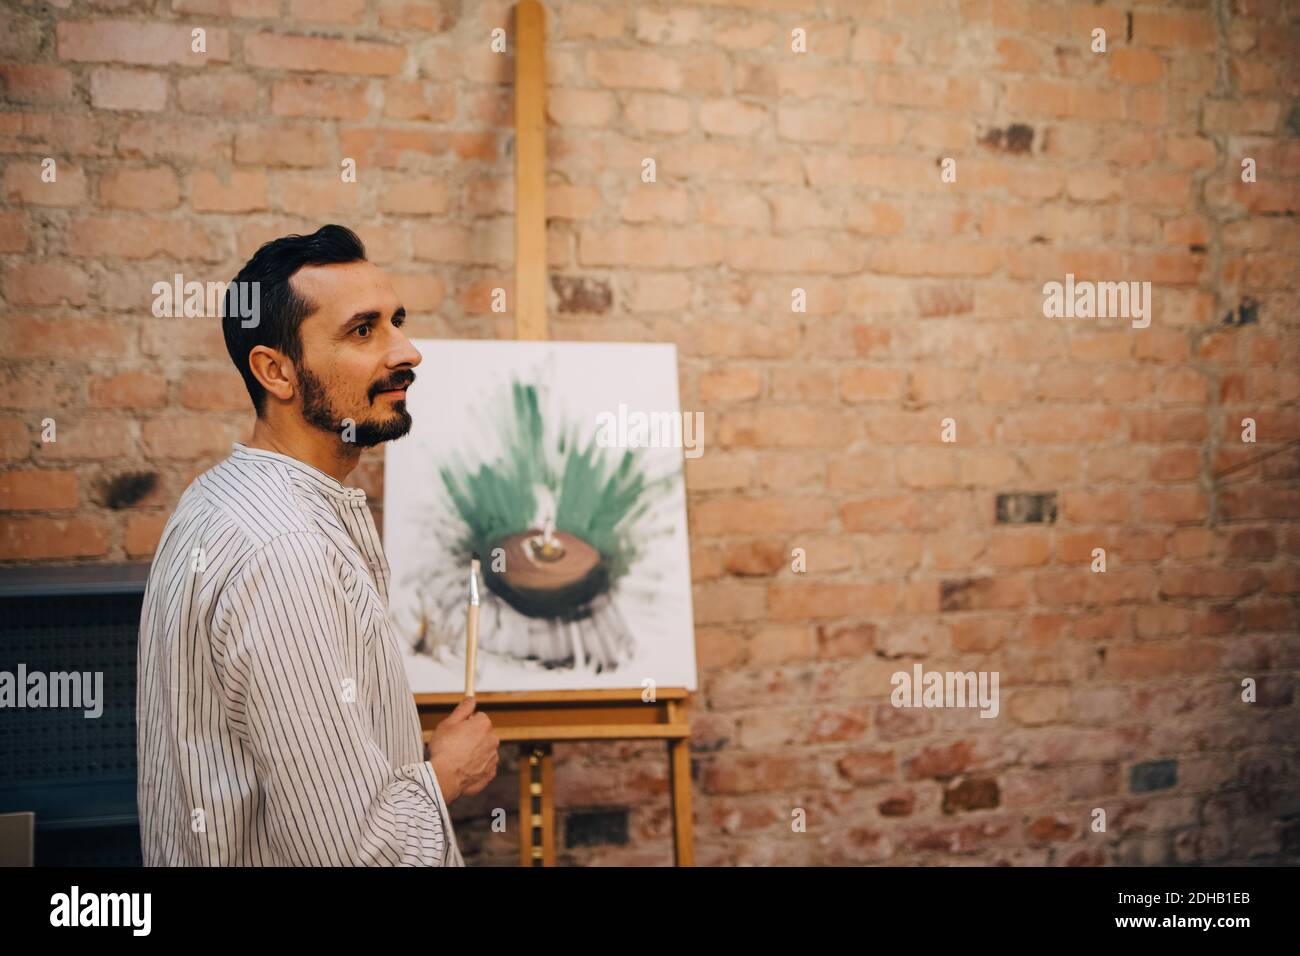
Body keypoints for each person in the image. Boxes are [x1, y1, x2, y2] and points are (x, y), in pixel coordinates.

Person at [136, 224, 498, 865]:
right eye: (364, 331)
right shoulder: (287, 553)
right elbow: (347, 850)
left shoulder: (218, 497)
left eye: (396, 322)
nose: (407, 351)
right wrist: (447, 773)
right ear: (276, 371)